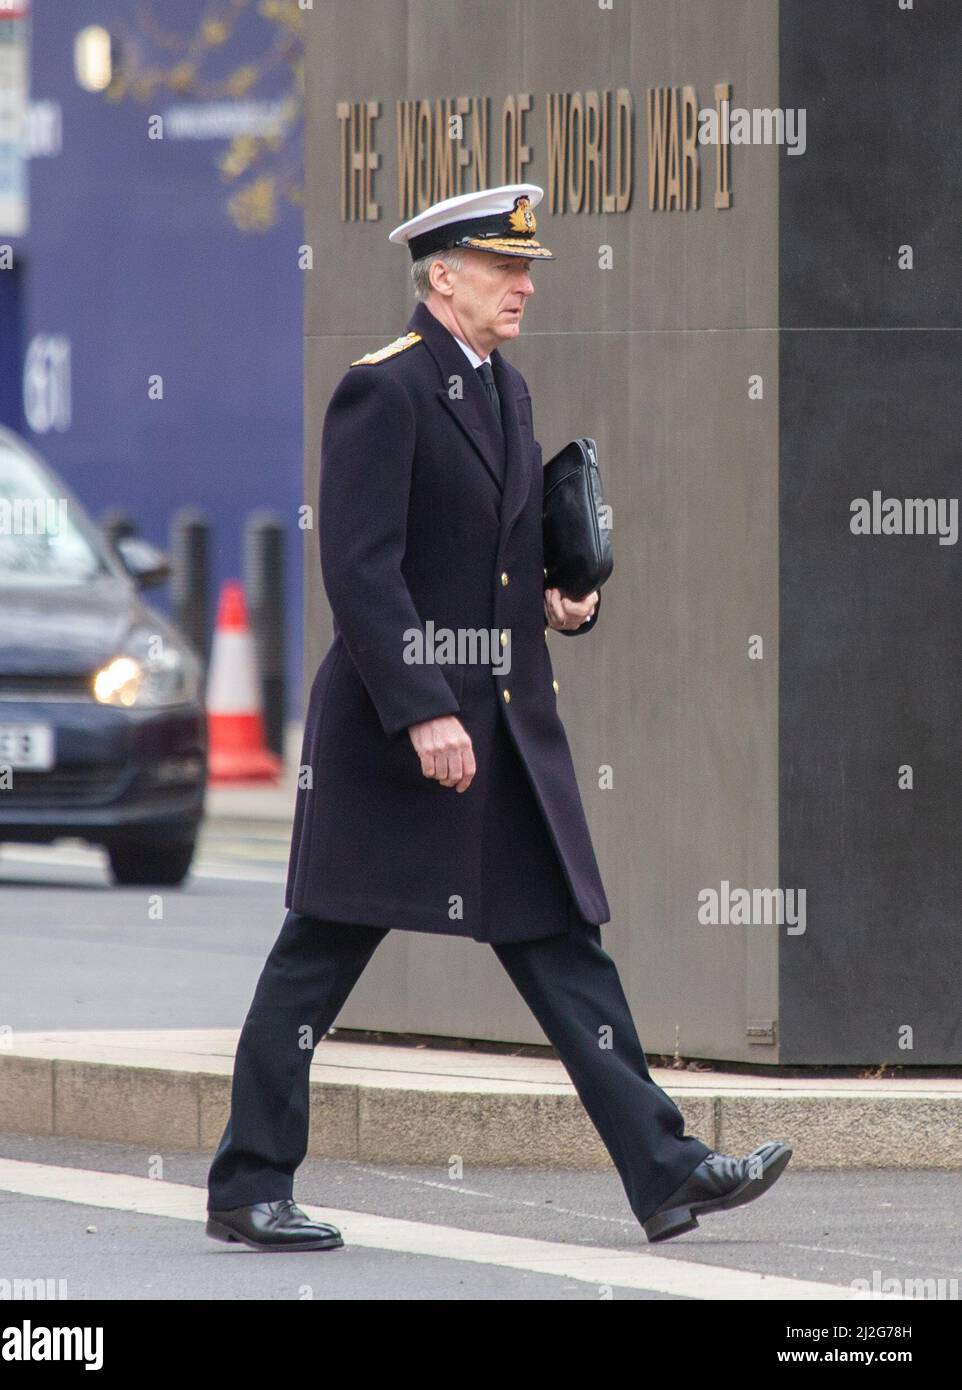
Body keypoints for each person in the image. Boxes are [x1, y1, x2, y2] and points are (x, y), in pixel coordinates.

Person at [205, 183, 791, 1251]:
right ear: (442, 278)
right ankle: (248, 1183)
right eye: (504, 268)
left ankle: (666, 1172)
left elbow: (491, 567)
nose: (523, 285)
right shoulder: (380, 392)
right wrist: (423, 711)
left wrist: (561, 602)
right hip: (401, 736)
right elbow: (362, 570)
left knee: (566, 946)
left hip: (503, 734)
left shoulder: (505, 390)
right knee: (317, 954)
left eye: (525, 269)